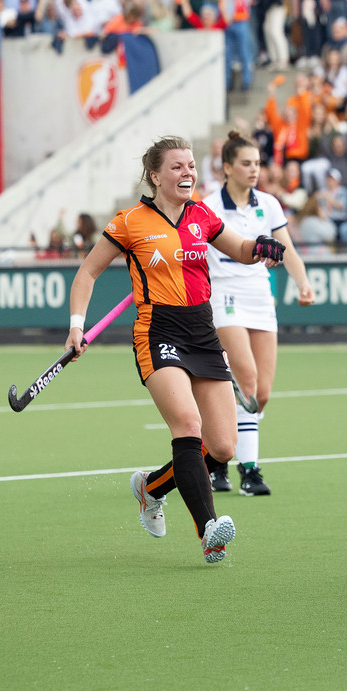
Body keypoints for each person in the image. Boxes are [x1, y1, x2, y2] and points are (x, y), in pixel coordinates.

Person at [67, 136, 285, 564]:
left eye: (190, 166)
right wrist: (77, 327)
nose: (188, 173)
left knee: (222, 447)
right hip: (157, 330)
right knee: (187, 423)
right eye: (177, 167)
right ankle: (208, 529)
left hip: (202, 331)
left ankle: (151, 488)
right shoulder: (130, 221)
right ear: (155, 176)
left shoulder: (201, 214)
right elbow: (87, 274)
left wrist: (260, 247)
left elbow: (239, 249)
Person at [202, 132, 316, 496]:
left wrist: (302, 283)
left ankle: (215, 460)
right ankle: (249, 470)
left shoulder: (268, 204)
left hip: (259, 296)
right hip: (225, 295)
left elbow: (287, 248)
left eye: (257, 163)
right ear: (227, 167)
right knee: (246, 381)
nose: (254, 170)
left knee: (261, 394)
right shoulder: (206, 207)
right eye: (246, 163)